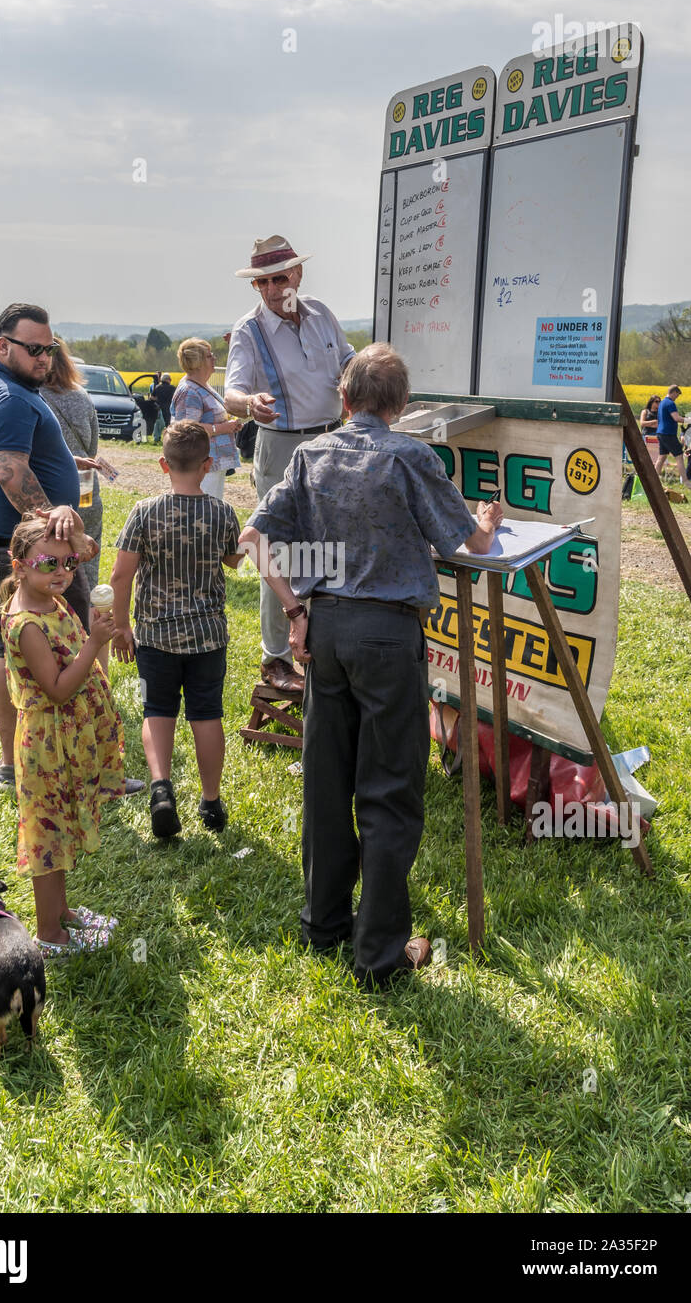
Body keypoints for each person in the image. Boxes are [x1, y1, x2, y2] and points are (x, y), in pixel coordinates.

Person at [238, 343, 503, 987]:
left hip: (326, 630)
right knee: (388, 790)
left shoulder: (310, 453)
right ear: (402, 406)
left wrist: (295, 612)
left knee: (326, 782)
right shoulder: (411, 455)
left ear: (346, 400)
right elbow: (470, 542)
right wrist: (489, 521)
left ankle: (323, 924)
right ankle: (380, 954)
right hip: (387, 636)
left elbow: (252, 537)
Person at [0, 300, 141, 793]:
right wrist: (67, 536)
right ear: (3, 345)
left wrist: (73, 463)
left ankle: (16, 765)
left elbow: (25, 455)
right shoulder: (8, 397)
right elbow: (10, 471)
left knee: (8, 645)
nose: (44, 358)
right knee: (79, 640)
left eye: (49, 348)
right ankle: (91, 767)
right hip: (21, 548)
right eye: (33, 349)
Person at [224, 234, 354, 693]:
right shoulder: (249, 330)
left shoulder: (321, 314)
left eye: (281, 277)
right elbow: (232, 391)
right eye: (264, 282)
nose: (275, 288)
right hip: (280, 447)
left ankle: (320, 641)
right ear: (255, 287)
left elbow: (349, 363)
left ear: (298, 274)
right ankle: (275, 658)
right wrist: (249, 404)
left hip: (331, 441)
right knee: (274, 550)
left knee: (325, 543)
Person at [111, 422, 242, 839]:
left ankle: (161, 787)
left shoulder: (144, 512)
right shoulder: (222, 512)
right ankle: (211, 801)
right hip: (207, 637)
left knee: (158, 711)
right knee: (207, 714)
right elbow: (234, 561)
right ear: (207, 465)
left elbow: (120, 576)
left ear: (163, 464)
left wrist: (120, 627)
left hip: (155, 636)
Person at [0, 516, 122, 956]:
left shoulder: (52, 596)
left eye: (67, 563)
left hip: (64, 741)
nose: (61, 571)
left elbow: (81, 545)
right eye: (48, 562)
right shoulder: (27, 623)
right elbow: (56, 689)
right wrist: (94, 641)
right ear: (18, 566)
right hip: (46, 746)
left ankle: (62, 913)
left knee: (61, 831)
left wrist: (69, 518)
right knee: (47, 842)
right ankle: (49, 934)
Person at [40, 337, 116, 591]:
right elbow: (92, 447)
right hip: (85, 484)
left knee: (53, 548)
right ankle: (87, 606)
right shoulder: (82, 396)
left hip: (51, 486)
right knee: (87, 547)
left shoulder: (34, 396)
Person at [171, 338, 241, 499]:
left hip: (212, 464)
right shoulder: (189, 391)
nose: (214, 358)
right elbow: (187, 430)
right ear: (198, 362)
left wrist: (230, 424)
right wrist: (224, 428)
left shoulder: (201, 385)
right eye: (209, 356)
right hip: (200, 464)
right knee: (204, 510)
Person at [653, 384, 691, 484]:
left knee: (661, 457)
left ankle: (653, 481)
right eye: (677, 395)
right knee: (679, 456)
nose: (676, 397)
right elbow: (677, 418)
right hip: (668, 434)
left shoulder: (662, 403)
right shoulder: (670, 403)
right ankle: (685, 482)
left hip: (661, 433)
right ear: (674, 392)